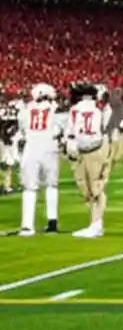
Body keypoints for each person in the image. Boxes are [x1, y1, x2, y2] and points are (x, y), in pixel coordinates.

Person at [66, 83, 112, 238]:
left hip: (85, 148)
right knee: (95, 188)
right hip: (97, 147)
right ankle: (95, 223)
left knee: (93, 189)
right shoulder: (101, 108)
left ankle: (96, 224)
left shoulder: (75, 110)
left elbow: (70, 132)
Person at [18, 83, 64, 236]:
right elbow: (59, 129)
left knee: (29, 188)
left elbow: (23, 126)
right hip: (49, 147)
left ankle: (27, 225)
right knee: (51, 185)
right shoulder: (55, 108)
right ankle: (52, 222)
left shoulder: (26, 108)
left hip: (31, 147)